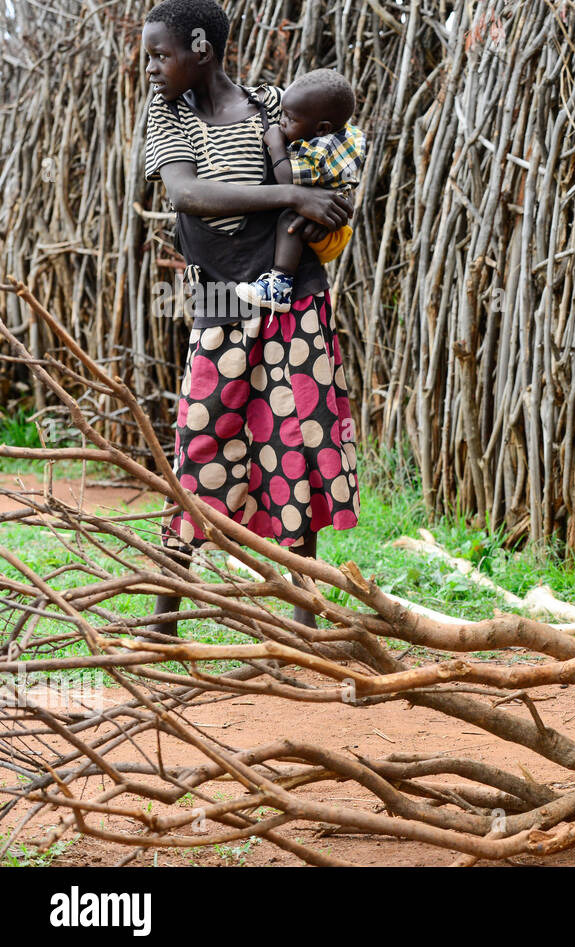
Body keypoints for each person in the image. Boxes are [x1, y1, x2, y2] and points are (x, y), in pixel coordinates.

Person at [142, 0, 361, 633]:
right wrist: (294, 194)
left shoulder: (273, 105)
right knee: (200, 441)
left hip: (293, 299)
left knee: (293, 441)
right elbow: (186, 195)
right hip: (218, 298)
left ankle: (303, 621)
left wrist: (326, 198)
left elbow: (333, 161)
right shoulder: (168, 115)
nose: (150, 68)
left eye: (160, 53)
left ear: (202, 47)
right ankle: (163, 618)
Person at [236, 68, 367, 313]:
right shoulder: (346, 134)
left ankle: (279, 285)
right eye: (283, 114)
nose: (282, 121)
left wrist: (276, 145)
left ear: (321, 128)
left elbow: (287, 180)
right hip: (332, 203)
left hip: (321, 215)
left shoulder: (318, 149)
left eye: (291, 119)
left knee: (290, 222)